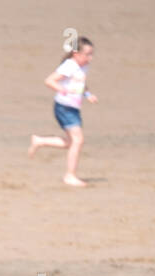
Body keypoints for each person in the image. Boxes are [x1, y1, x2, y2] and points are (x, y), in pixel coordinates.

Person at [28, 36, 97, 186]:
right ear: (76, 54)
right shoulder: (69, 66)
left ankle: (40, 141)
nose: (90, 58)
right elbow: (50, 80)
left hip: (73, 108)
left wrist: (87, 94)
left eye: (92, 54)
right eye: (87, 54)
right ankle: (70, 176)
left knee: (71, 142)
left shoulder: (83, 66)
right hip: (64, 108)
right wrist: (63, 90)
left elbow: (81, 83)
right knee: (78, 141)